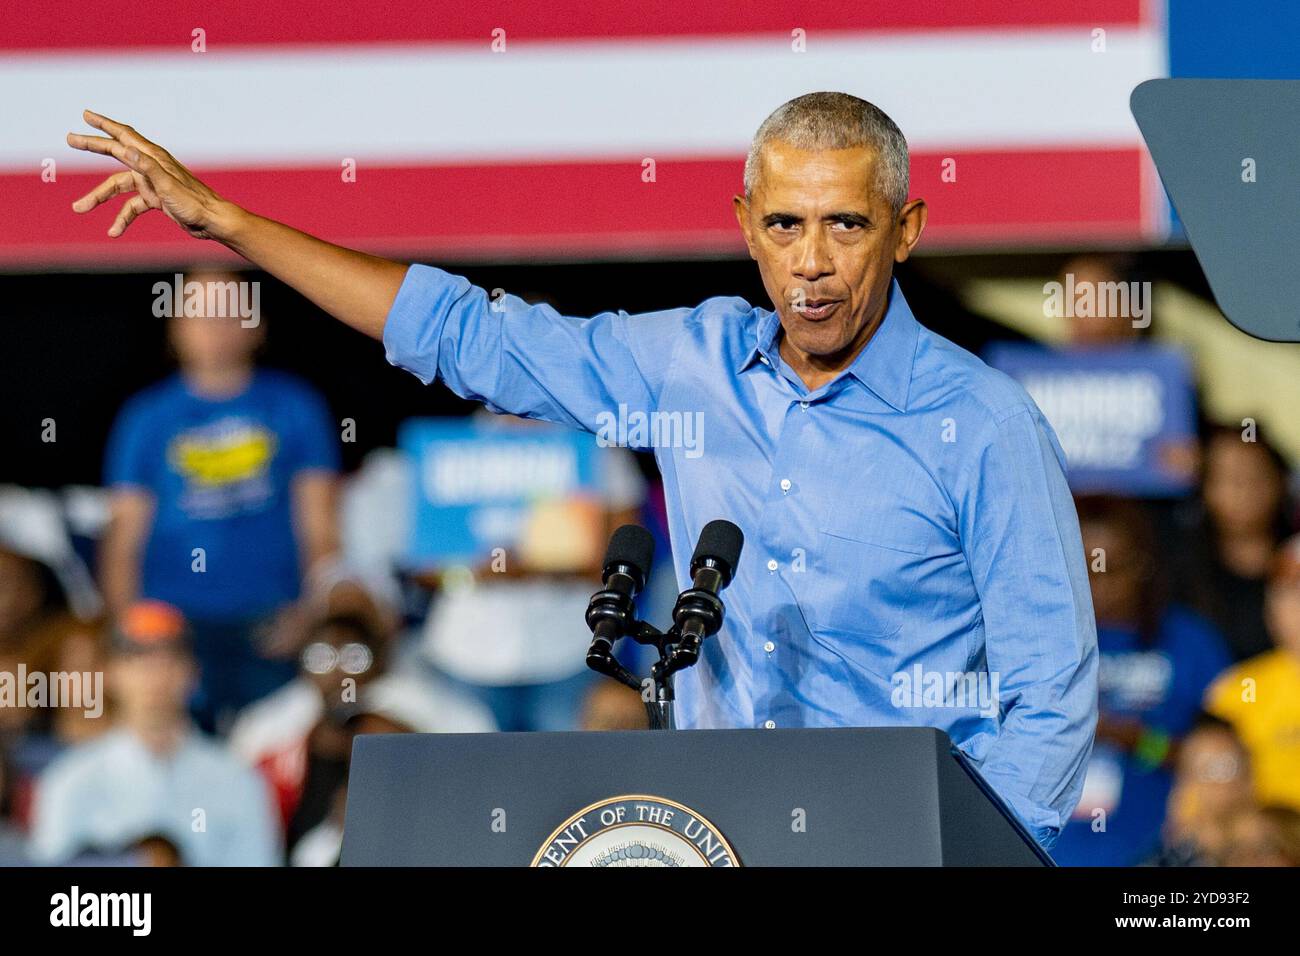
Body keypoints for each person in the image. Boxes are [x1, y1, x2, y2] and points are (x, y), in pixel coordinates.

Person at [65, 91, 1098, 847]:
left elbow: (1049, 687)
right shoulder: (686, 364)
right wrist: (230, 223)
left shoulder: (984, 420)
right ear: (745, 224)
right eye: (783, 223)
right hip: (724, 831)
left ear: (906, 230)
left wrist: (979, 858)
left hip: (904, 844)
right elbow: (462, 332)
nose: (811, 260)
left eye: (846, 223)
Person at [98, 269, 342, 733]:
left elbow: (321, 524)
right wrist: (126, 630)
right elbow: (123, 535)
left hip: (270, 620)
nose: (214, 325)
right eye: (199, 312)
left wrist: (310, 612)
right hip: (171, 623)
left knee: (273, 757)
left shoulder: (295, 406)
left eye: (228, 311)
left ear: (257, 325)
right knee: (176, 757)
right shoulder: (146, 417)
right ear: (176, 326)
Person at [27, 600, 281, 866]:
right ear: (110, 672)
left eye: (170, 658)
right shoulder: (69, 781)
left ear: (192, 673)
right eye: (138, 658)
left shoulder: (239, 782)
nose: (156, 674)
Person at [1052, 497, 1230, 866]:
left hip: (1160, 855)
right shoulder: (1032, 644)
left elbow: (1220, 762)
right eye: (1082, 569)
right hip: (1046, 851)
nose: (1097, 586)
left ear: (1143, 565)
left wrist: (1131, 738)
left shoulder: (1189, 643)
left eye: (1110, 570)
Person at [1172, 423, 1293, 661]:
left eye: (1255, 476)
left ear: (1280, 482)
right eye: (1228, 478)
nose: (1243, 491)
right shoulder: (1177, 567)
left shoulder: (1294, 561)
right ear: (1203, 488)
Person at [1204, 533, 1300, 812]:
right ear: (1270, 607)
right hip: (1258, 847)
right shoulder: (1236, 690)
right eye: (1291, 591)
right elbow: (1202, 794)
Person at [1150, 715, 1254, 866]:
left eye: (1226, 767)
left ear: (1247, 777)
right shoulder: (1162, 859)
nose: (1215, 783)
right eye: (1203, 768)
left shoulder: (1276, 851)